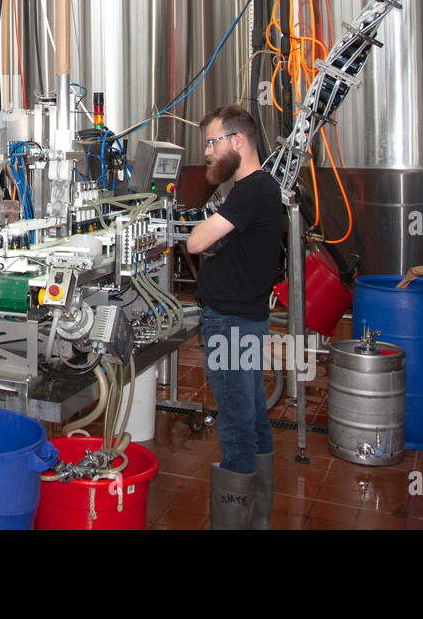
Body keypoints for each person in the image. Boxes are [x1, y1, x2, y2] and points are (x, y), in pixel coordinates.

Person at [186, 104, 282, 529]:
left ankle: (236, 523)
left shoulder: (250, 189)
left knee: (237, 428)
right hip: (247, 319)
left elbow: (195, 242)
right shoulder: (259, 189)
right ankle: (257, 519)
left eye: (213, 141)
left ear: (238, 141)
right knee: (253, 417)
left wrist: (201, 233)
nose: (208, 151)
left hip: (230, 323)